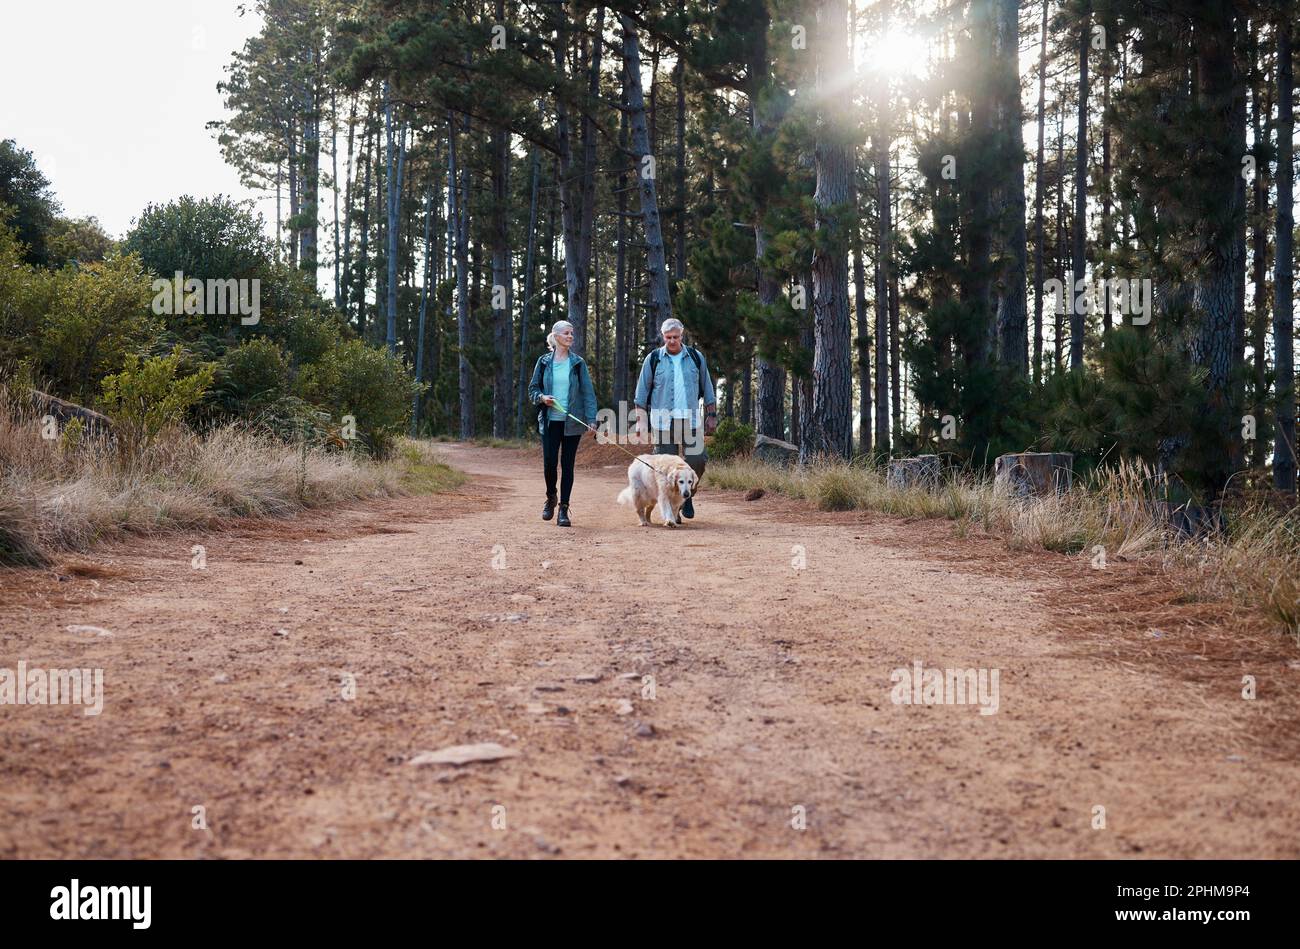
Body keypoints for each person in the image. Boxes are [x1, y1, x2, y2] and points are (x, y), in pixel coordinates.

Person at [632, 318, 717, 519]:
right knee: (664, 469)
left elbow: (708, 388)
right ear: (663, 336)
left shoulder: (695, 357)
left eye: (676, 337)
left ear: (682, 335)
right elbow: (641, 393)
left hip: (691, 421)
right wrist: (640, 420)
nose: (672, 341)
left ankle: (686, 496)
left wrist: (711, 415)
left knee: (698, 460)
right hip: (662, 422)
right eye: (668, 337)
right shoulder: (653, 359)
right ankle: (673, 507)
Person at [528, 320, 598, 528]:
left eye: (572, 334)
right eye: (566, 333)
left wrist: (592, 418)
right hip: (550, 422)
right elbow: (532, 390)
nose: (570, 337)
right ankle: (551, 497)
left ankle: (564, 510)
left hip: (572, 423)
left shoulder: (578, 363)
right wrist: (542, 398)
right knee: (550, 463)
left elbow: (588, 392)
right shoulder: (543, 362)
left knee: (567, 466)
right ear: (556, 336)